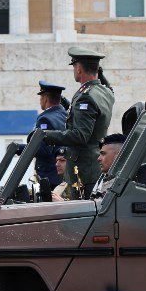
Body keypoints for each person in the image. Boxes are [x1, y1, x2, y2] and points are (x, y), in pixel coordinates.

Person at [41, 48, 114, 200]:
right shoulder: (105, 92)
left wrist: (44, 135)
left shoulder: (85, 97)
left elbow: (80, 135)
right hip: (93, 164)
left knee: (82, 211)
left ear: (79, 68)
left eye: (74, 66)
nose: (74, 70)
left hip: (83, 170)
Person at [34, 81, 68, 188]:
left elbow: (44, 149)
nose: (40, 100)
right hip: (64, 174)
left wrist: (22, 148)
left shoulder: (45, 119)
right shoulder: (65, 115)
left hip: (49, 177)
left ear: (45, 98)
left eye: (41, 97)